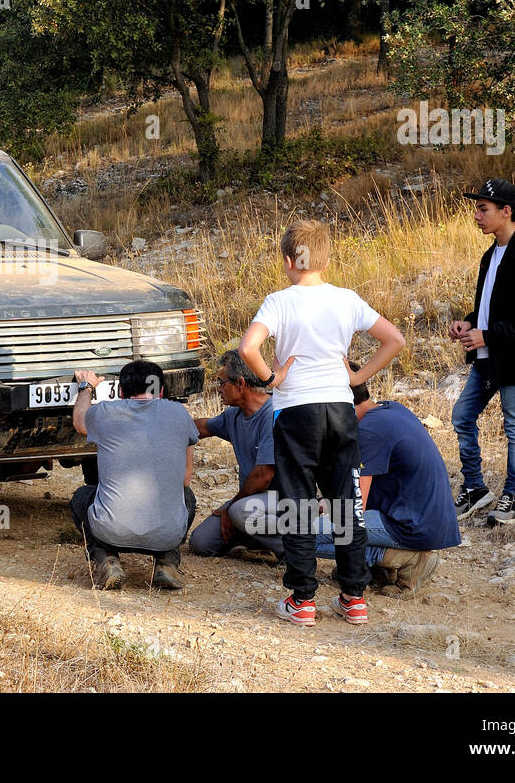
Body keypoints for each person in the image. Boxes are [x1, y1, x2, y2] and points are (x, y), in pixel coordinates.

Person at [239, 219, 405, 627]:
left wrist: (270, 378)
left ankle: (303, 600)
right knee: (346, 502)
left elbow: (248, 347)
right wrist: (358, 376)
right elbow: (395, 339)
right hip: (339, 408)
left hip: (296, 410)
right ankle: (353, 597)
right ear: (326, 259)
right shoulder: (347, 299)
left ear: (287, 261)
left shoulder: (279, 301)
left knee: (297, 504)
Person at [447, 178, 515, 526]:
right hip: (488, 358)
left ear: (506, 212)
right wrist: (468, 323)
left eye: (483, 209)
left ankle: (513, 497)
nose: (476, 216)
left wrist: (486, 337)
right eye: (476, 208)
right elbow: (490, 309)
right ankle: (476, 489)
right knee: (462, 415)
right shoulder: (490, 255)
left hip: (514, 361)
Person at [313, 368, 462, 598]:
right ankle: (377, 567)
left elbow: (355, 510)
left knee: (299, 532)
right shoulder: (388, 409)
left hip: (410, 526)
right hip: (418, 518)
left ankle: (407, 559)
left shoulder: (369, 430)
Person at [70, 360, 199, 591]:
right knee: (187, 497)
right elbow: (185, 480)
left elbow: (79, 421)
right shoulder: (180, 414)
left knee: (81, 497)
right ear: (160, 391)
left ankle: (107, 560)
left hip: (111, 531)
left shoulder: (105, 413)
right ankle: (166, 562)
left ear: (120, 392)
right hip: (166, 534)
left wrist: (85, 387)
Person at [188, 349, 283, 560]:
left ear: (240, 384)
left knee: (239, 512)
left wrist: (230, 509)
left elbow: (263, 476)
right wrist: (171, 424)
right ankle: (254, 537)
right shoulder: (234, 415)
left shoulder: (274, 413)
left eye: (222, 383)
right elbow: (202, 427)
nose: (218, 389)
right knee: (201, 542)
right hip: (251, 501)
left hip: (287, 500)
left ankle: (294, 548)